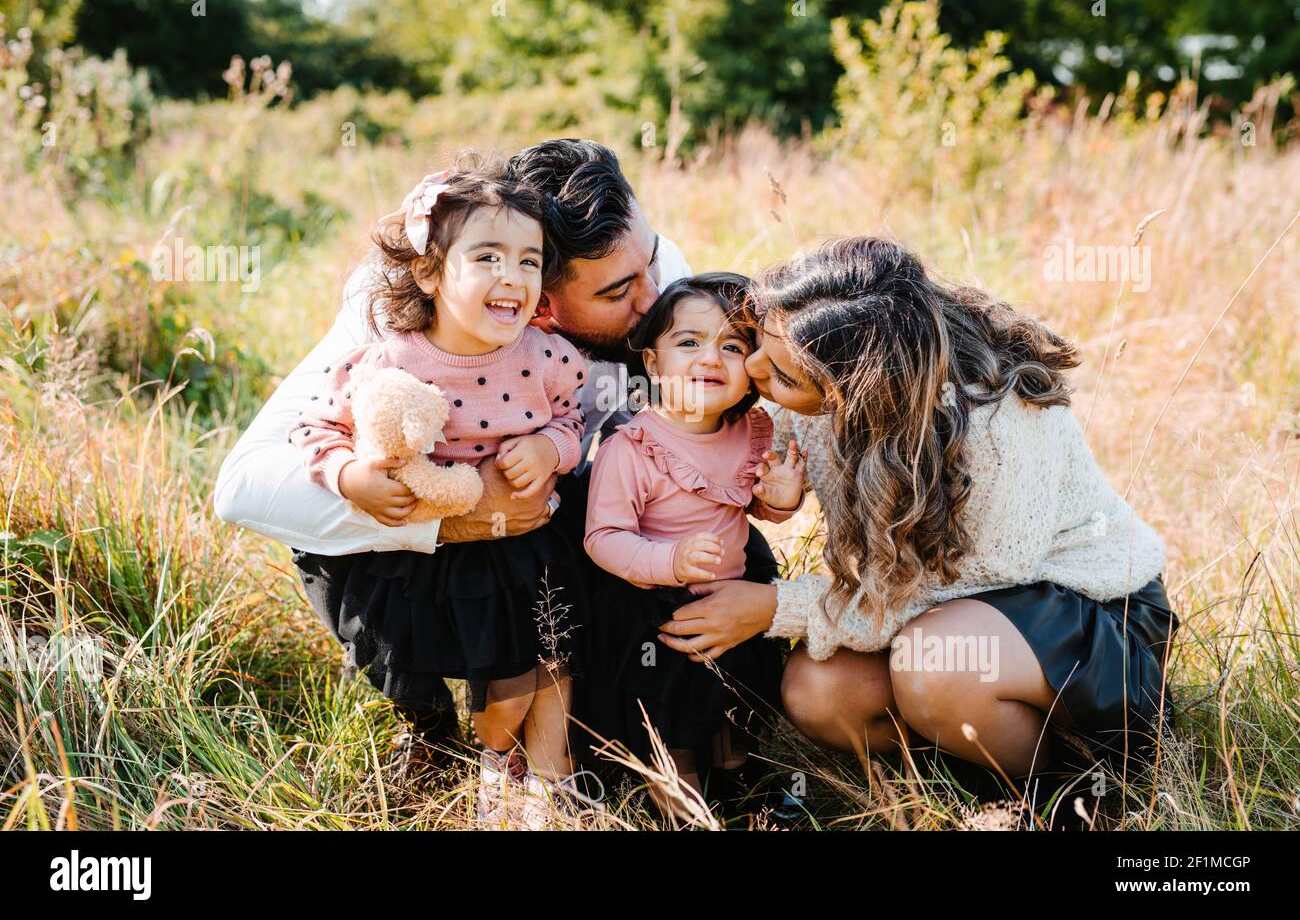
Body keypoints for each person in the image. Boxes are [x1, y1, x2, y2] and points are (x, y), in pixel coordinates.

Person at [660, 236, 1179, 783]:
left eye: (784, 378)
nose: (757, 372)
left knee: (934, 663)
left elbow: (955, 584)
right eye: (761, 340)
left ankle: (1072, 792)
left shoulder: (996, 423)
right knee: (819, 690)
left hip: (1088, 613)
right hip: (951, 626)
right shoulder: (819, 363)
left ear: (860, 392)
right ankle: (968, 773)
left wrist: (773, 606)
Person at [289, 154, 589, 827]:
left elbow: (576, 419)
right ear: (429, 271)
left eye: (528, 261)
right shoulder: (390, 359)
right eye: (487, 257)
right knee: (420, 662)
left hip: (521, 552)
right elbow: (316, 428)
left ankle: (532, 777)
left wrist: (551, 448)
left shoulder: (546, 356)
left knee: (532, 673)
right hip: (424, 555)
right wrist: (349, 475)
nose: (511, 276)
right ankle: (433, 740)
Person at [582, 274, 805, 820]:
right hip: (656, 608)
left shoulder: (752, 430)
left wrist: (781, 499)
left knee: (734, 702)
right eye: (689, 342)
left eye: (732, 346)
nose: (711, 358)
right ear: (653, 365)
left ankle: (743, 789)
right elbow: (603, 538)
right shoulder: (631, 448)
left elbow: (752, 506)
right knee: (672, 714)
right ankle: (684, 807)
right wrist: (670, 561)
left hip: (735, 593)